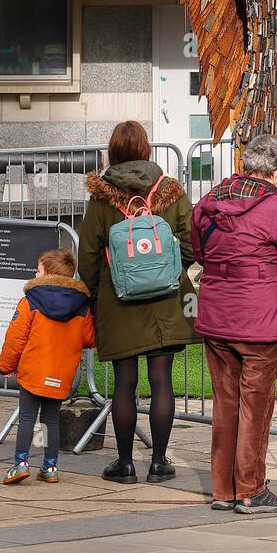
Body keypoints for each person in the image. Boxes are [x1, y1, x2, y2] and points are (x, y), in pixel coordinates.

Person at [191, 133, 277, 516]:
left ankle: (223, 488)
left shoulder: (209, 200)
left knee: (226, 404)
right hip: (260, 318)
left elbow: (200, 250)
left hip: (217, 313)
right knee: (256, 406)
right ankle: (251, 489)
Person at [77, 120, 196, 484]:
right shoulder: (171, 191)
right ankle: (159, 462)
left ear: (112, 152)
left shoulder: (101, 198)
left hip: (119, 301)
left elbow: (88, 258)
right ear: (147, 150)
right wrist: (168, 272)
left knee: (124, 383)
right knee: (161, 380)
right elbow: (191, 246)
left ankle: (125, 464)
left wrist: (99, 295)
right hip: (166, 302)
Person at [0, 246, 95, 484]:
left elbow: (15, 338)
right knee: (50, 419)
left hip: (33, 369)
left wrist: (6, 366)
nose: (35, 273)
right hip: (61, 372)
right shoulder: (81, 306)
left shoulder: (30, 301)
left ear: (50, 273)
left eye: (39, 270)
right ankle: (50, 467)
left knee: (28, 417)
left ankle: (20, 464)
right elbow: (89, 339)